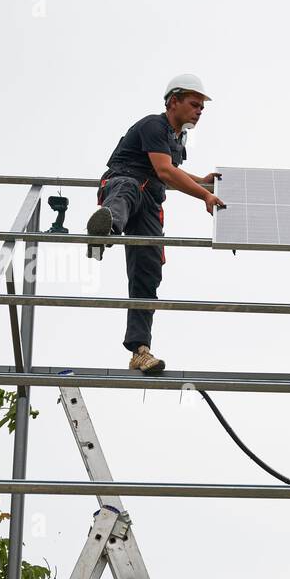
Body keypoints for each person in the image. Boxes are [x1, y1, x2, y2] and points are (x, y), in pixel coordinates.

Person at [87, 73, 225, 374]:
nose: (199, 110)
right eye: (194, 104)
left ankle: (139, 350)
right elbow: (164, 171)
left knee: (148, 274)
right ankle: (105, 229)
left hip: (151, 203)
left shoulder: (177, 138)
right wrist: (204, 195)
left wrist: (201, 180)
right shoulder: (154, 125)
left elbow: (171, 170)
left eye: (202, 106)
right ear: (173, 101)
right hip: (125, 181)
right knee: (126, 193)